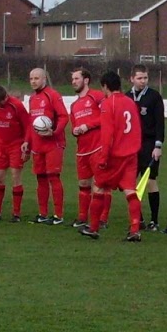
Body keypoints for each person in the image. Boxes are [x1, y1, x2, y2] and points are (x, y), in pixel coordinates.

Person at [82, 71, 146, 242]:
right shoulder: (130, 102)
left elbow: (107, 134)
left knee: (99, 187)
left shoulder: (108, 104)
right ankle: (134, 230)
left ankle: (93, 227)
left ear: (105, 86)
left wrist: (103, 158)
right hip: (131, 154)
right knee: (130, 191)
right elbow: (137, 128)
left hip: (114, 156)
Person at [24, 68, 69, 225]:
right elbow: (31, 124)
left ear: (44, 79)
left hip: (53, 144)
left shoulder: (52, 95)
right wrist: (27, 142)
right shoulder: (32, 99)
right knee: (40, 178)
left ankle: (58, 215)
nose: (33, 81)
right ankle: (42, 213)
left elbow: (64, 116)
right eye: (31, 79)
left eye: (37, 78)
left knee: (53, 177)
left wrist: (54, 132)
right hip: (38, 145)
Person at [128, 65, 166, 231]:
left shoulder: (154, 96)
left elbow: (160, 124)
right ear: (132, 79)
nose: (143, 81)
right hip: (130, 146)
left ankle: (154, 220)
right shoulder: (127, 97)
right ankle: (139, 218)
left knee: (150, 181)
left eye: (145, 78)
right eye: (139, 78)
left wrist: (158, 146)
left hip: (149, 144)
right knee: (130, 183)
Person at [68, 68, 106, 229]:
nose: (74, 82)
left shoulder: (97, 96)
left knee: (101, 184)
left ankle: (102, 219)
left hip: (98, 147)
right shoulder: (74, 105)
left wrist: (87, 126)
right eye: (73, 79)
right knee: (83, 184)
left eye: (77, 78)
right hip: (82, 150)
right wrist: (75, 130)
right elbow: (73, 126)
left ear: (86, 80)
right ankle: (82, 217)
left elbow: (106, 116)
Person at [0, 84, 28, 223]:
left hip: (16, 145)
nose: (1, 105)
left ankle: (16, 213)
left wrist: (26, 143)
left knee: (16, 177)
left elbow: (27, 125)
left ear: (6, 97)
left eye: (3, 101)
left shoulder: (17, 106)